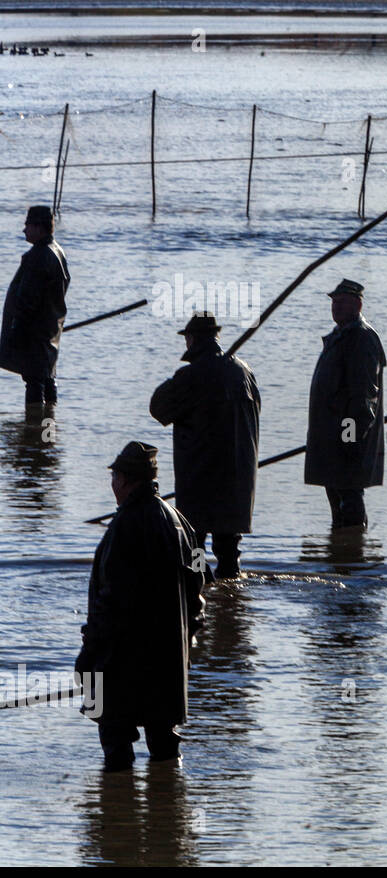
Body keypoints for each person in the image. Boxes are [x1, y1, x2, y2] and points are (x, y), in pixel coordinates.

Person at [76, 441, 206, 772]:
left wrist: (89, 651)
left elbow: (112, 600)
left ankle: (118, 813)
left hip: (121, 659)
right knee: (164, 741)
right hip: (168, 659)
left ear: (125, 480)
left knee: (115, 741)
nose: (112, 484)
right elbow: (200, 580)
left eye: (114, 476)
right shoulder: (179, 521)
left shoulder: (125, 526)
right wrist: (190, 635)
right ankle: (170, 807)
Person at [149, 311, 261, 579]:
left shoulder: (191, 376)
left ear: (191, 340)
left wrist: (179, 379)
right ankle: (229, 596)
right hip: (238, 477)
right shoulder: (244, 372)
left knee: (195, 547)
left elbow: (158, 407)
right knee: (228, 549)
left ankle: (201, 589)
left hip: (201, 477)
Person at [305, 279, 386, 530]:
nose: (336, 307)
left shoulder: (361, 338)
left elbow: (363, 396)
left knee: (349, 497)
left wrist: (350, 438)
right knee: (337, 495)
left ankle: (352, 559)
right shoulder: (341, 336)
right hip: (332, 436)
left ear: (358, 304)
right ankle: (342, 556)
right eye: (334, 302)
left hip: (346, 437)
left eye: (342, 302)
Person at [0, 205, 70, 413]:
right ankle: (47, 423)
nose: (24, 230)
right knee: (46, 376)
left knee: (34, 380)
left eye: (27, 225)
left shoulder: (39, 256)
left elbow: (27, 299)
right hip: (50, 330)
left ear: (39, 228)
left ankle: (33, 424)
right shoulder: (57, 250)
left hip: (34, 332)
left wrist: (16, 331)